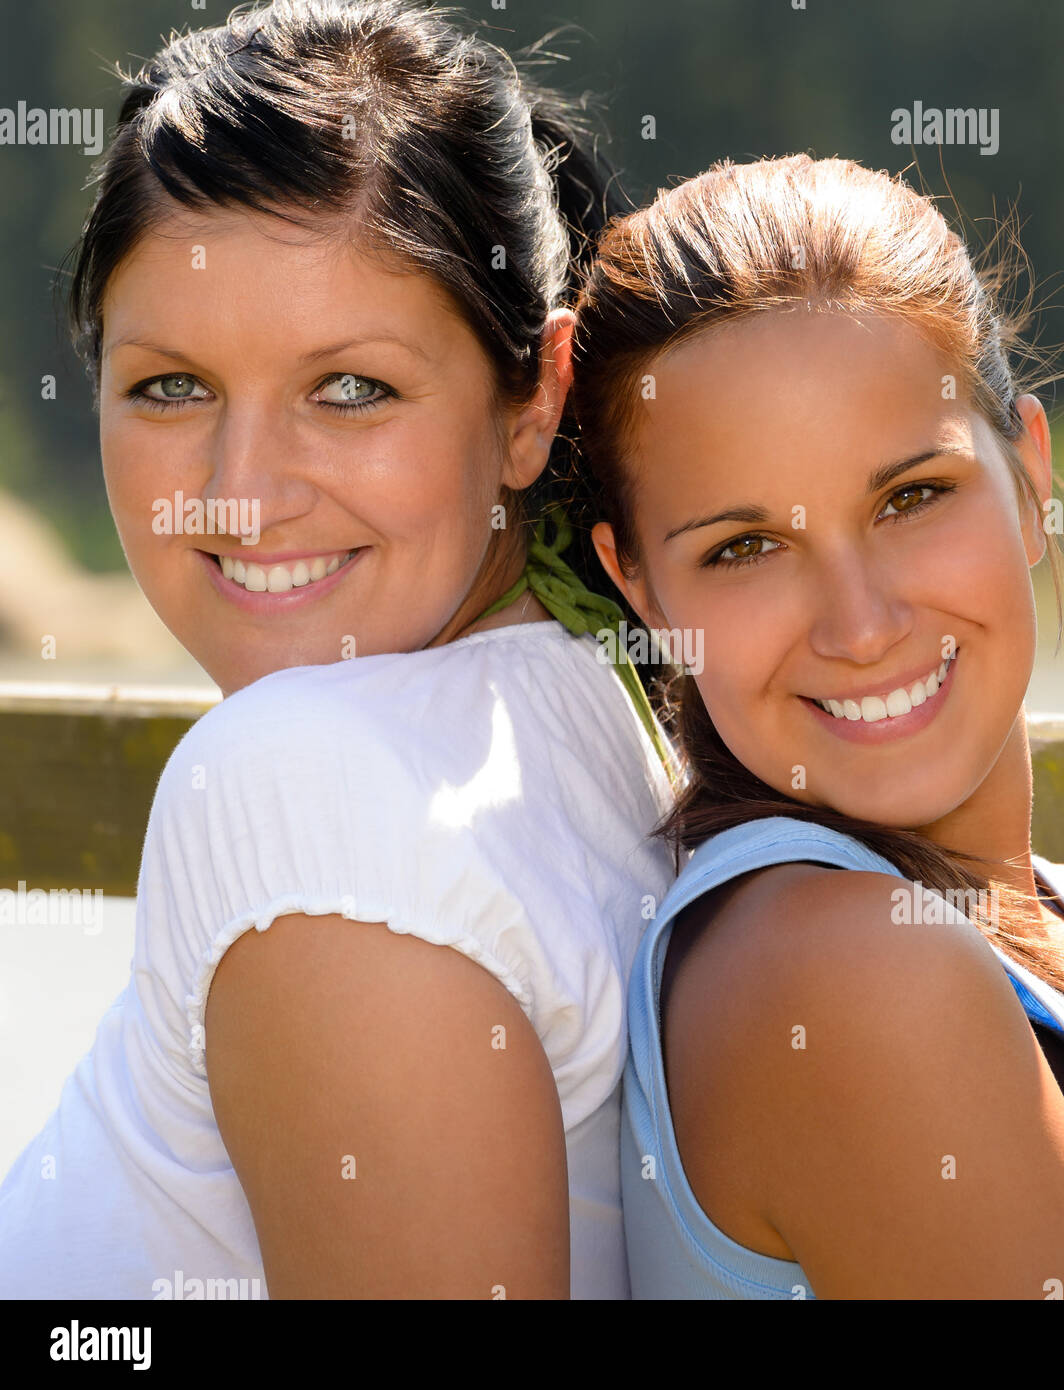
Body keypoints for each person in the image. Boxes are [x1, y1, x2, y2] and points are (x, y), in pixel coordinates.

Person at [0, 0, 675, 1299]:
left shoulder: (299, 780)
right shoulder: (603, 700)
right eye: (171, 386)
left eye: (351, 389)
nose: (240, 493)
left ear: (535, 397)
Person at [568, 153, 1064, 1299]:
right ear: (640, 588)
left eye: (909, 497)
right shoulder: (836, 978)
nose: (861, 626)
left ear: (1031, 477)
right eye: (745, 547)